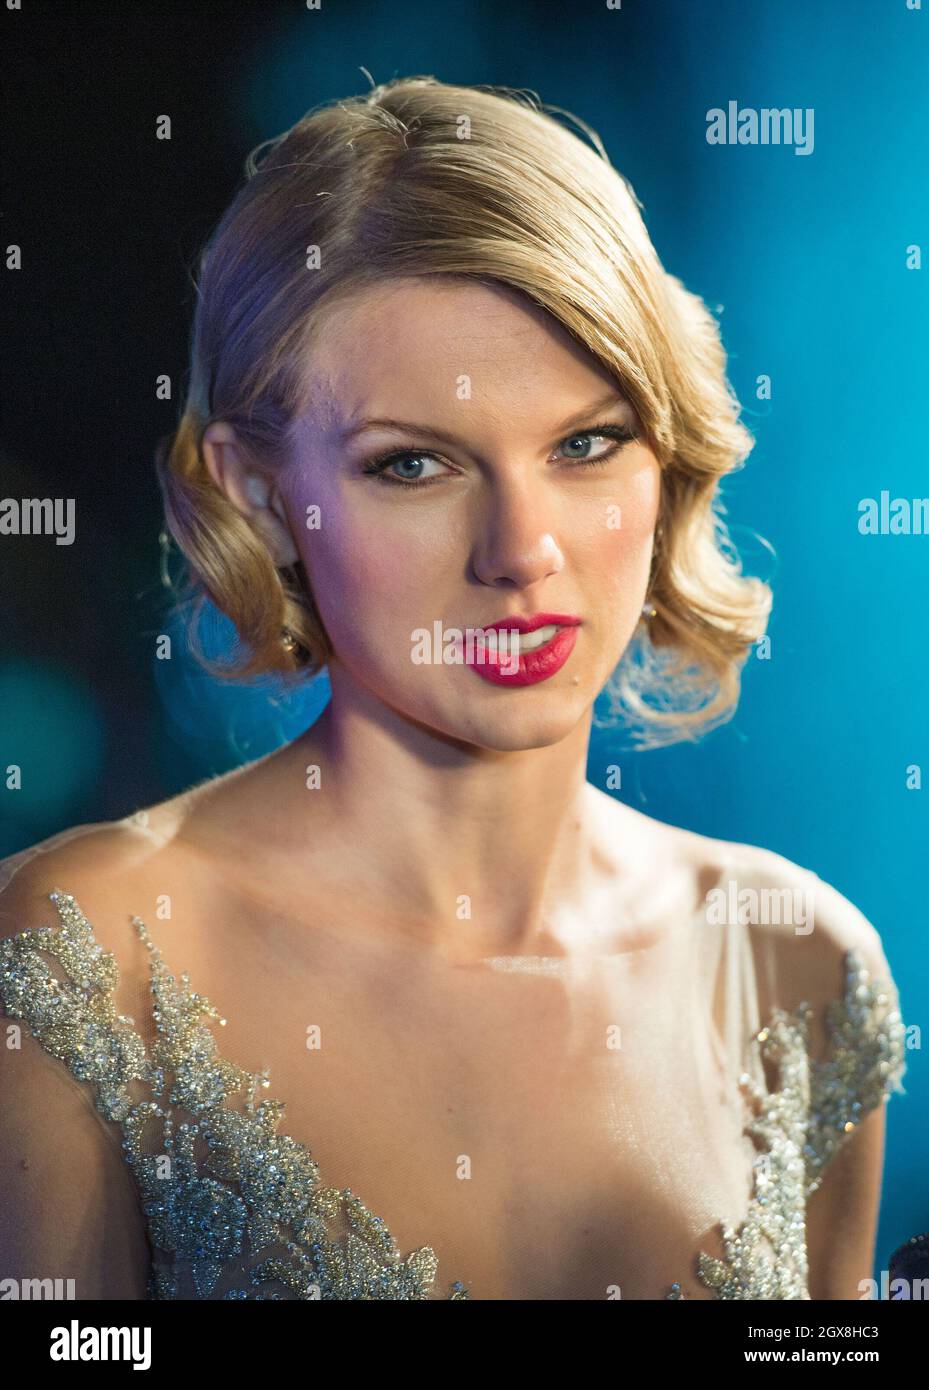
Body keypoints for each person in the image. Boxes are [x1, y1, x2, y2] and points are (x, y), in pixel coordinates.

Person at [0, 77, 907, 1302]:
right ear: (263, 497)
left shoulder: (799, 963)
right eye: (413, 464)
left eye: (584, 443)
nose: (518, 550)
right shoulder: (91, 949)